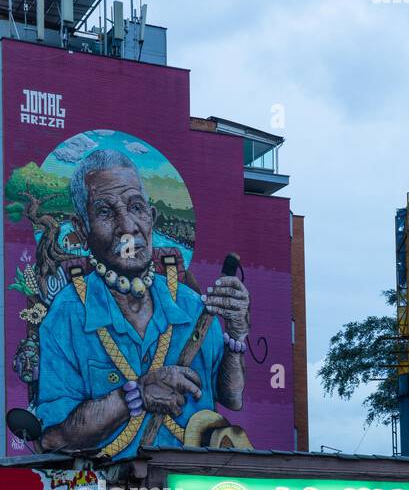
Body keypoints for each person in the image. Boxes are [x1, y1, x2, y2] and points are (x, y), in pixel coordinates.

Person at [36, 149, 251, 457]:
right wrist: (135, 395)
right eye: (106, 212)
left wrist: (237, 333)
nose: (127, 227)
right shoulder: (67, 314)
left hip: (192, 485)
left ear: (151, 217)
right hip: (108, 487)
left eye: (136, 207)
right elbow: (54, 439)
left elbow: (232, 397)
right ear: (82, 229)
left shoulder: (192, 306)